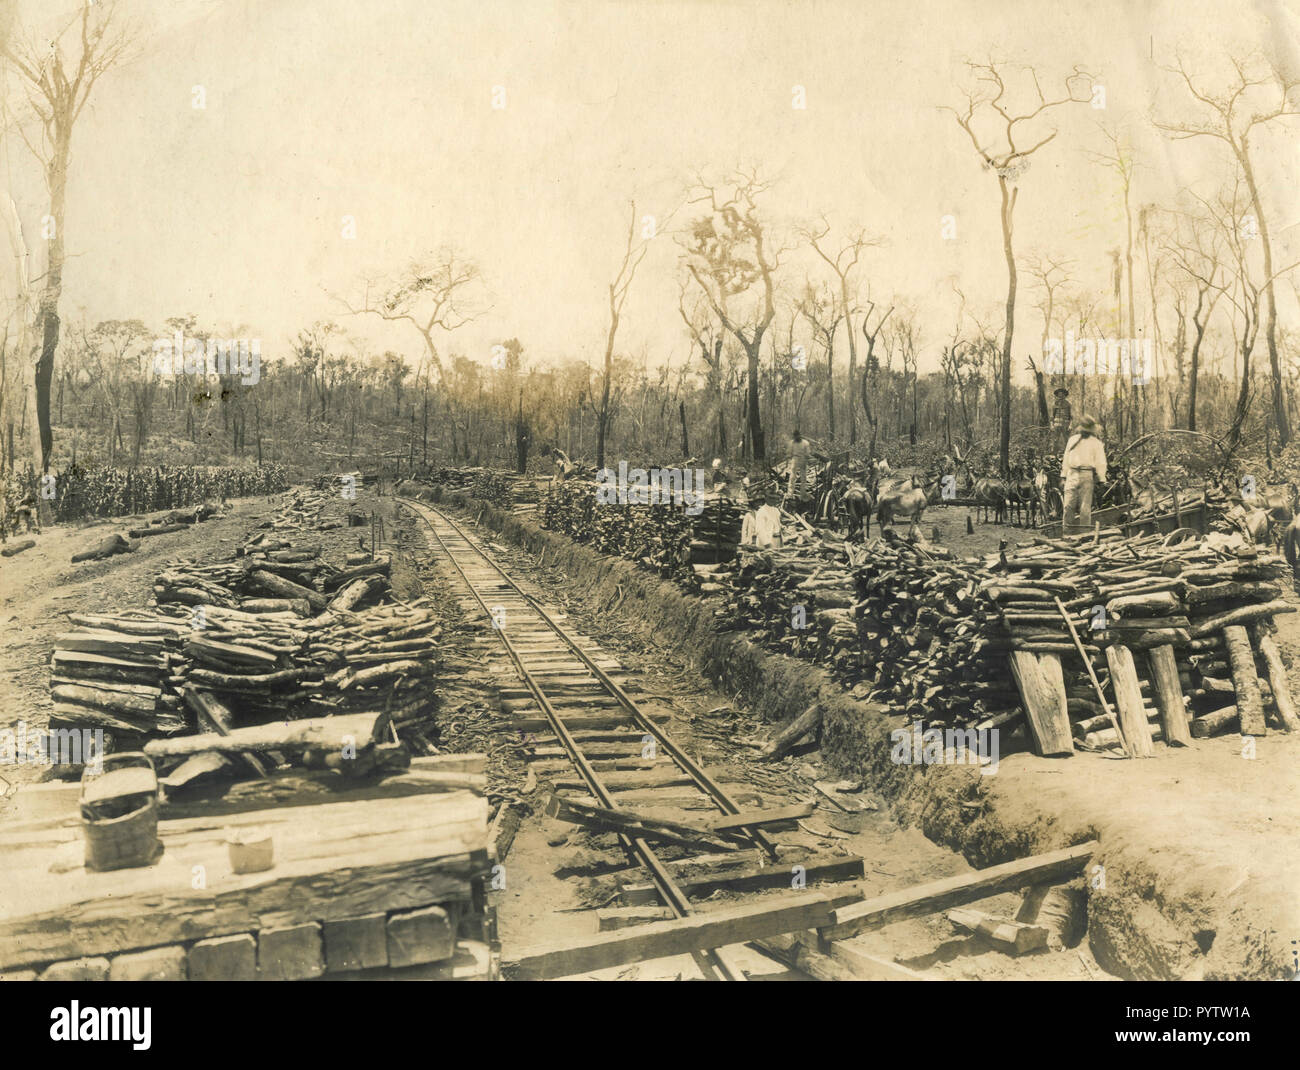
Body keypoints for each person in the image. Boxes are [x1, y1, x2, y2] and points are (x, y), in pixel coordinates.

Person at [1061, 415, 1107, 535]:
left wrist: (1102, 479)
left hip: (1087, 474)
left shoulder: (1096, 443)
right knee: (1068, 506)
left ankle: (1084, 535)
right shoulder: (1072, 440)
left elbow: (1101, 462)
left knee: (1085, 509)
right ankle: (1066, 533)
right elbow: (1066, 458)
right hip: (1072, 473)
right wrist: (1063, 476)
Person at [788, 429, 813, 498]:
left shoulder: (805, 443)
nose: (796, 437)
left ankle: (802, 493)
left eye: (797, 436)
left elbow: (807, 453)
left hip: (802, 459)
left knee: (803, 477)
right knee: (792, 476)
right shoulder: (792, 443)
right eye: (795, 436)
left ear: (800, 435)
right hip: (795, 459)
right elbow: (789, 453)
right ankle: (790, 494)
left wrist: (808, 457)